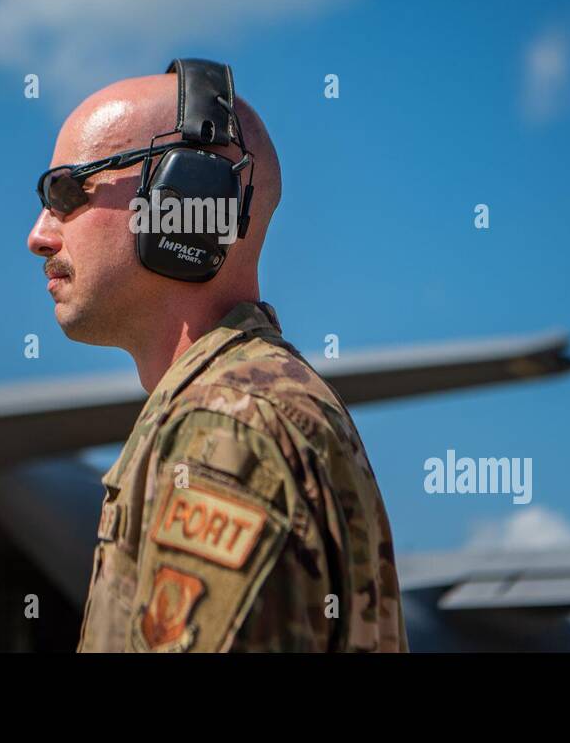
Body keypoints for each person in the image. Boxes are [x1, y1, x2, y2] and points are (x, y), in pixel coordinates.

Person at [27, 60, 407, 652]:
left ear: (184, 197)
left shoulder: (227, 426)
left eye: (68, 191)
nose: (40, 234)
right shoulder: (244, 404)